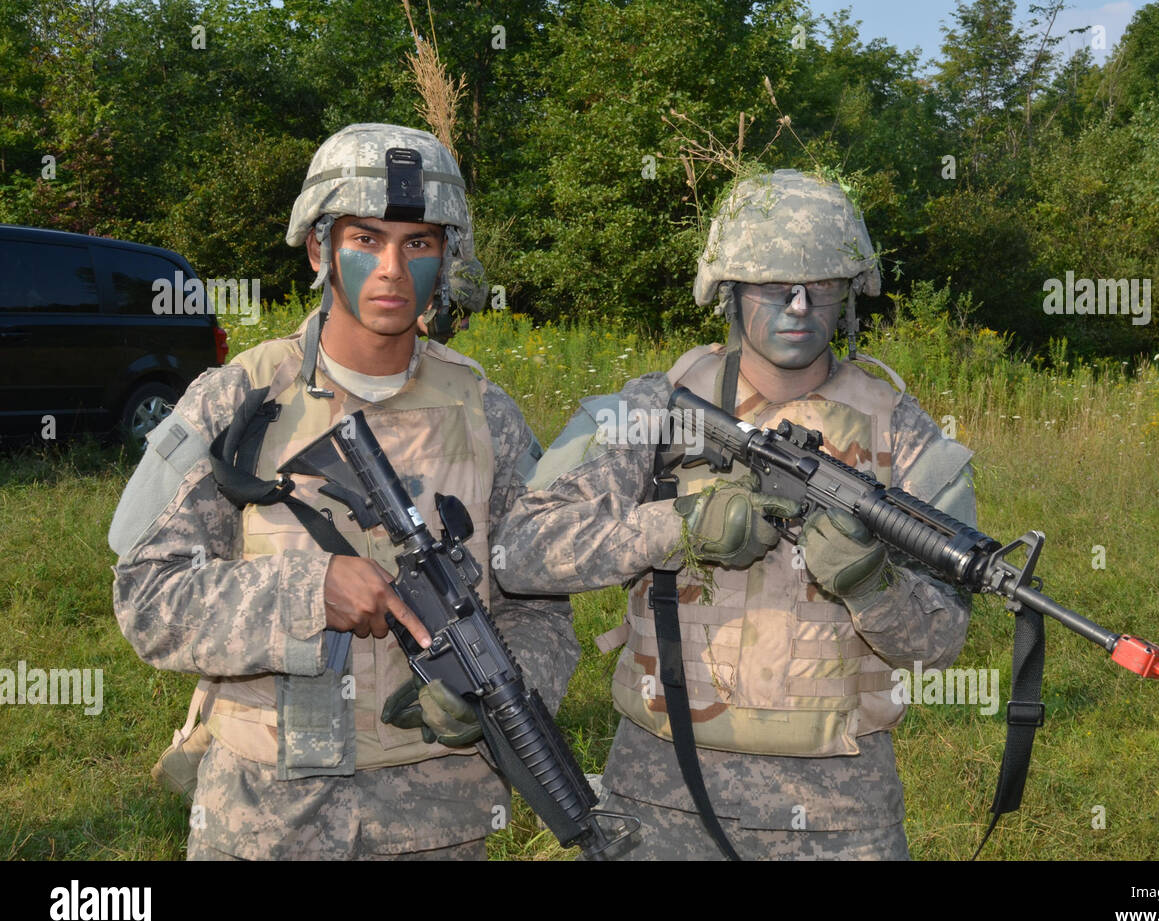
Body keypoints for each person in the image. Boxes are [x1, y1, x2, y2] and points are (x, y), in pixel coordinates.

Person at [109, 123, 576, 860]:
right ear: (318, 249)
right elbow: (146, 599)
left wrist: (496, 691)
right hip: (264, 821)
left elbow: (544, 607)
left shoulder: (487, 413)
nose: (392, 270)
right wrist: (307, 593)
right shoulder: (235, 401)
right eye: (365, 239)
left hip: (438, 821)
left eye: (418, 243)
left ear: (447, 256)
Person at [496, 169, 976, 860]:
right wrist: (677, 527)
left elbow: (941, 642)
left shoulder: (902, 431)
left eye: (821, 284)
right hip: (662, 794)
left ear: (850, 292)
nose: (798, 306)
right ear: (729, 289)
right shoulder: (653, 408)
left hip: (841, 811)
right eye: (773, 285)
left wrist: (874, 586)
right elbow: (523, 551)